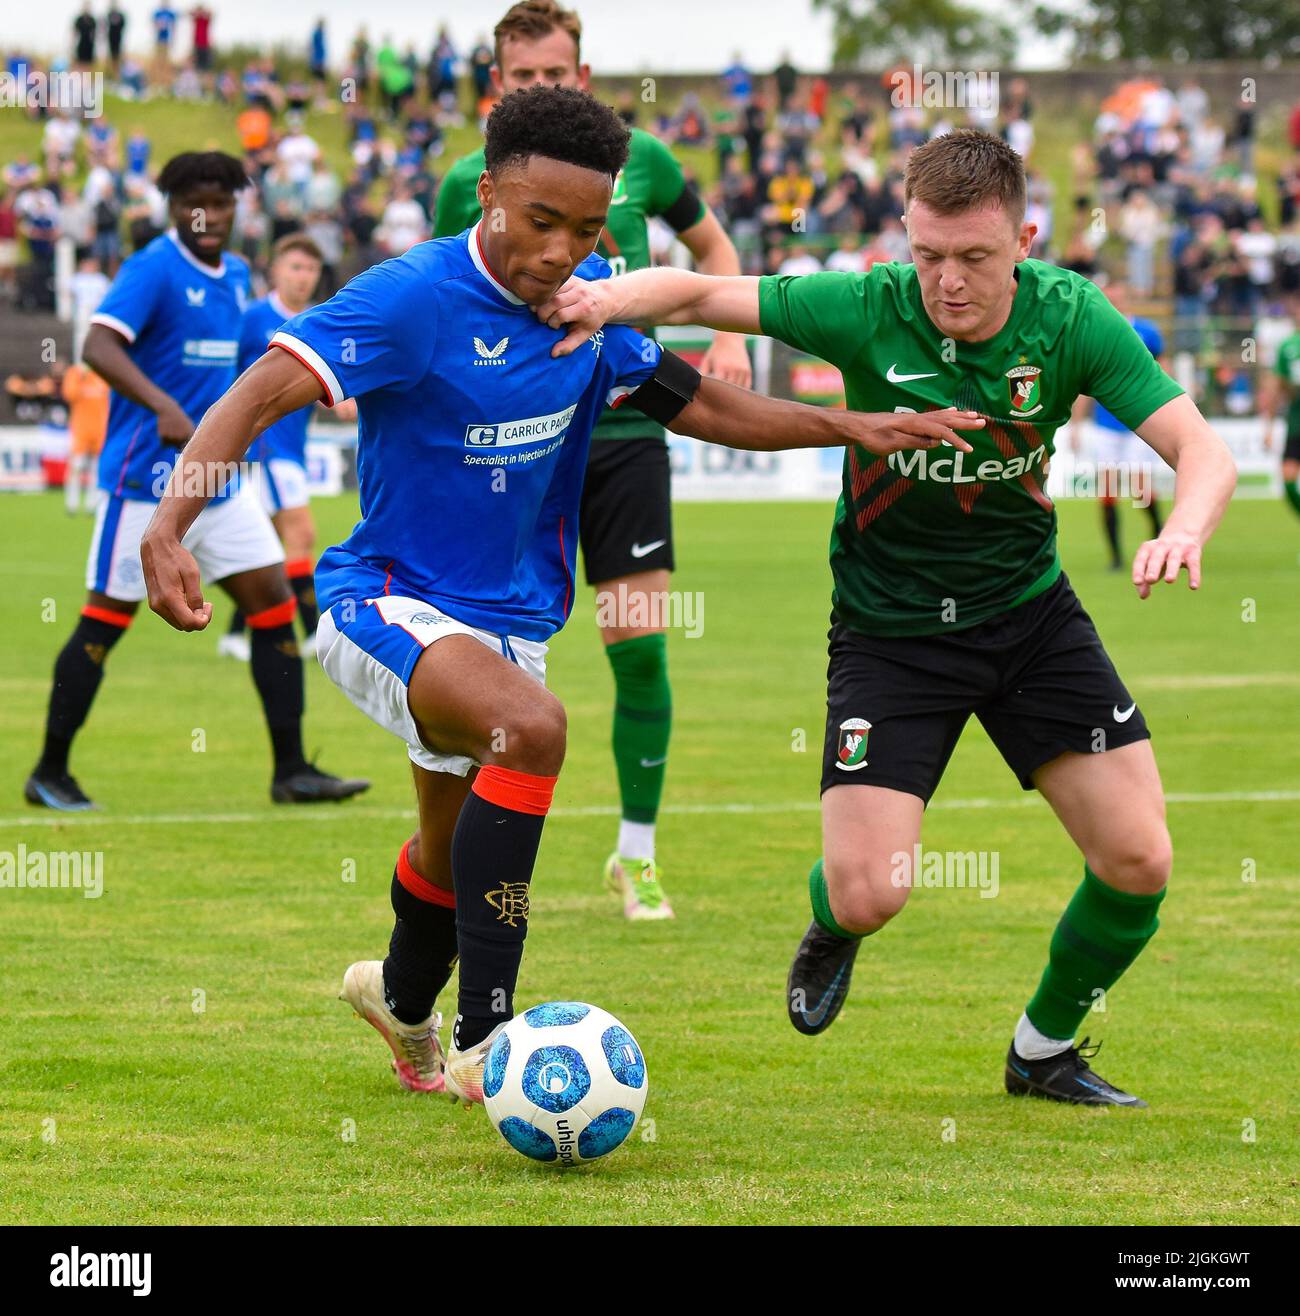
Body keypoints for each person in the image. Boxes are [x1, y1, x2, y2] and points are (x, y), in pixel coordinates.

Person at [137, 86, 979, 1102]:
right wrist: (168, 522)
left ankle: (400, 1000)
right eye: (539, 222)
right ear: (487, 193)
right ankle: (491, 1046)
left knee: (447, 861)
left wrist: (850, 426)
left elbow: (701, 401)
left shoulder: (585, 311)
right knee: (532, 729)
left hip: (506, 622)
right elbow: (258, 391)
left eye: (585, 230)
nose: (561, 251)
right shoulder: (413, 298)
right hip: (382, 601)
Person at [537, 128, 1239, 1107]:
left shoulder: (1071, 318)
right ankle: (834, 919)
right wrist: (602, 296)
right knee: (871, 891)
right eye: (928, 255)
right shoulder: (865, 305)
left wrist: (1188, 528)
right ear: (904, 239)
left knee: (1138, 858)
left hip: (1029, 618)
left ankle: (1041, 1048)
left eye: (974, 259)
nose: (947, 282)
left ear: (1024, 238)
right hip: (887, 630)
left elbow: (1201, 451)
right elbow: (698, 292)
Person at [434, 0, 754, 921]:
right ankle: (456, 857)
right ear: (500, 82)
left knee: (640, 650)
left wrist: (724, 337)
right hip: (511, 447)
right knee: (482, 660)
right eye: (524, 75)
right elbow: (444, 301)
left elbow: (711, 247)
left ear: (583, 75)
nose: (542, 86)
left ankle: (637, 855)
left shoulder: (645, 161)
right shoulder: (466, 182)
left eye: (557, 73)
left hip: (623, 432)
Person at [24, 151, 369, 813]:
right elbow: (97, 344)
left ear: (240, 207)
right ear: (173, 208)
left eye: (221, 201)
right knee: (104, 622)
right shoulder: (154, 267)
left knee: (272, 607)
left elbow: (243, 362)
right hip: (145, 485)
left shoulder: (236, 274)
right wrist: (163, 407)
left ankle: (292, 770)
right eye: (190, 203)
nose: (206, 215)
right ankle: (48, 772)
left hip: (220, 483)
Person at [220, 234, 352, 661]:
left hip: (293, 445)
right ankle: (313, 632)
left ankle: (237, 633)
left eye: (311, 269)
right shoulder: (252, 317)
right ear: (275, 271)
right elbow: (227, 376)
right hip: (263, 449)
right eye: (295, 267)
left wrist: (344, 397)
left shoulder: (319, 319)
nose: (303, 276)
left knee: (272, 544)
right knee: (300, 532)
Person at [1072, 281, 1166, 569]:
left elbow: (1161, 372)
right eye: (1108, 298)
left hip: (1139, 423)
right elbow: (1082, 383)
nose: (1114, 302)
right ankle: (1115, 557)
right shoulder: (1092, 333)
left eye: (1118, 297)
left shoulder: (1146, 331)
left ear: (1126, 299)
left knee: (1140, 489)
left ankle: (1160, 538)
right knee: (1109, 491)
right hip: (1105, 425)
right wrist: (1076, 424)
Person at [1260, 293, 1300, 522]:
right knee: (1287, 479)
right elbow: (1277, 389)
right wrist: (1268, 428)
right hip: (1296, 421)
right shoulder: (1288, 346)